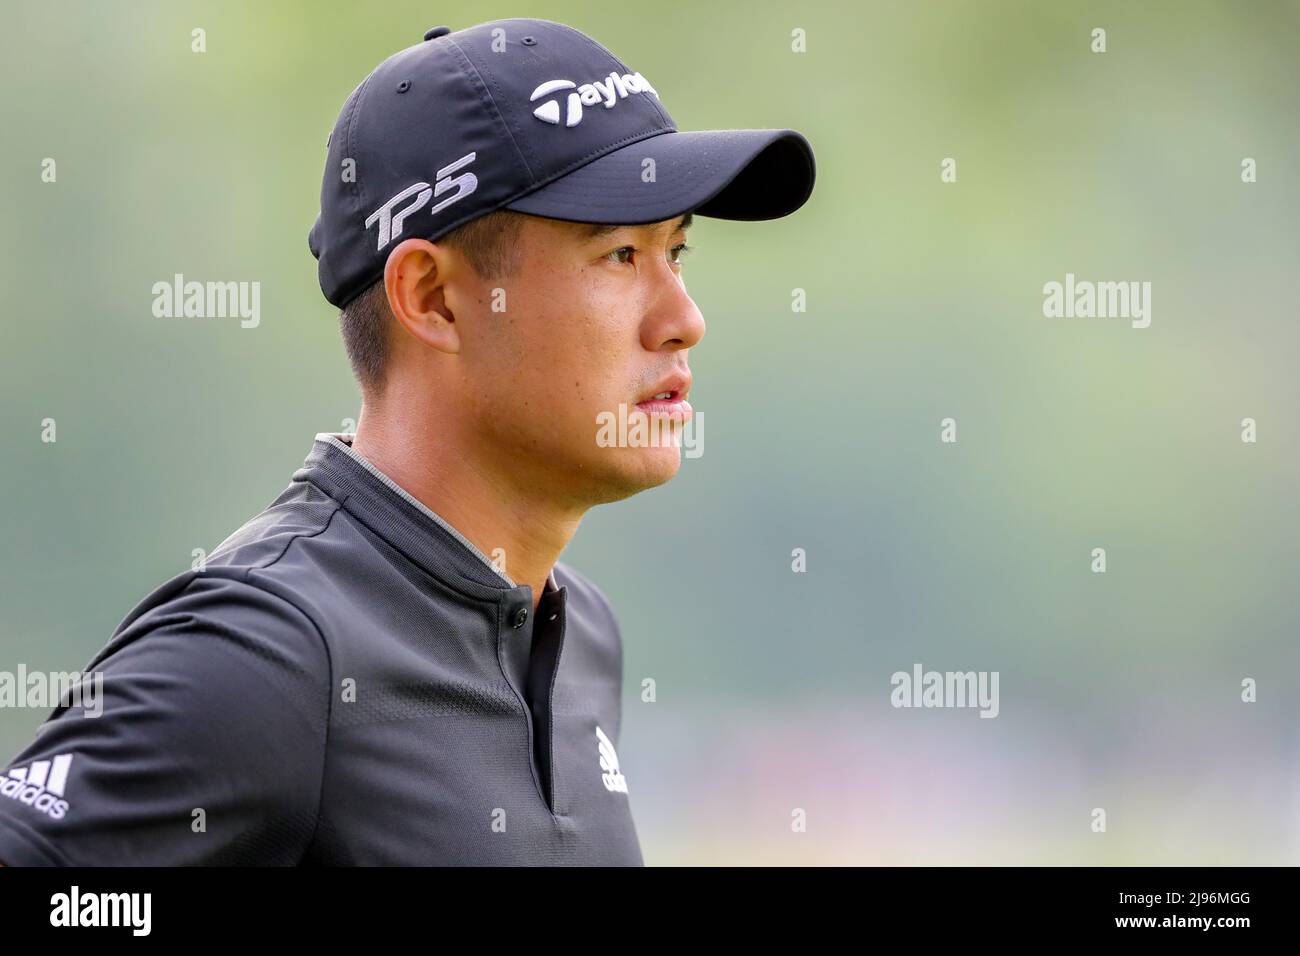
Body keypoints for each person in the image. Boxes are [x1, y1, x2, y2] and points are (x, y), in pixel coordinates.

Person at [0, 16, 815, 865]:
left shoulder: (581, 634)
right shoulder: (268, 650)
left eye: (676, 251)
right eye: (618, 255)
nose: (685, 320)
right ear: (431, 298)